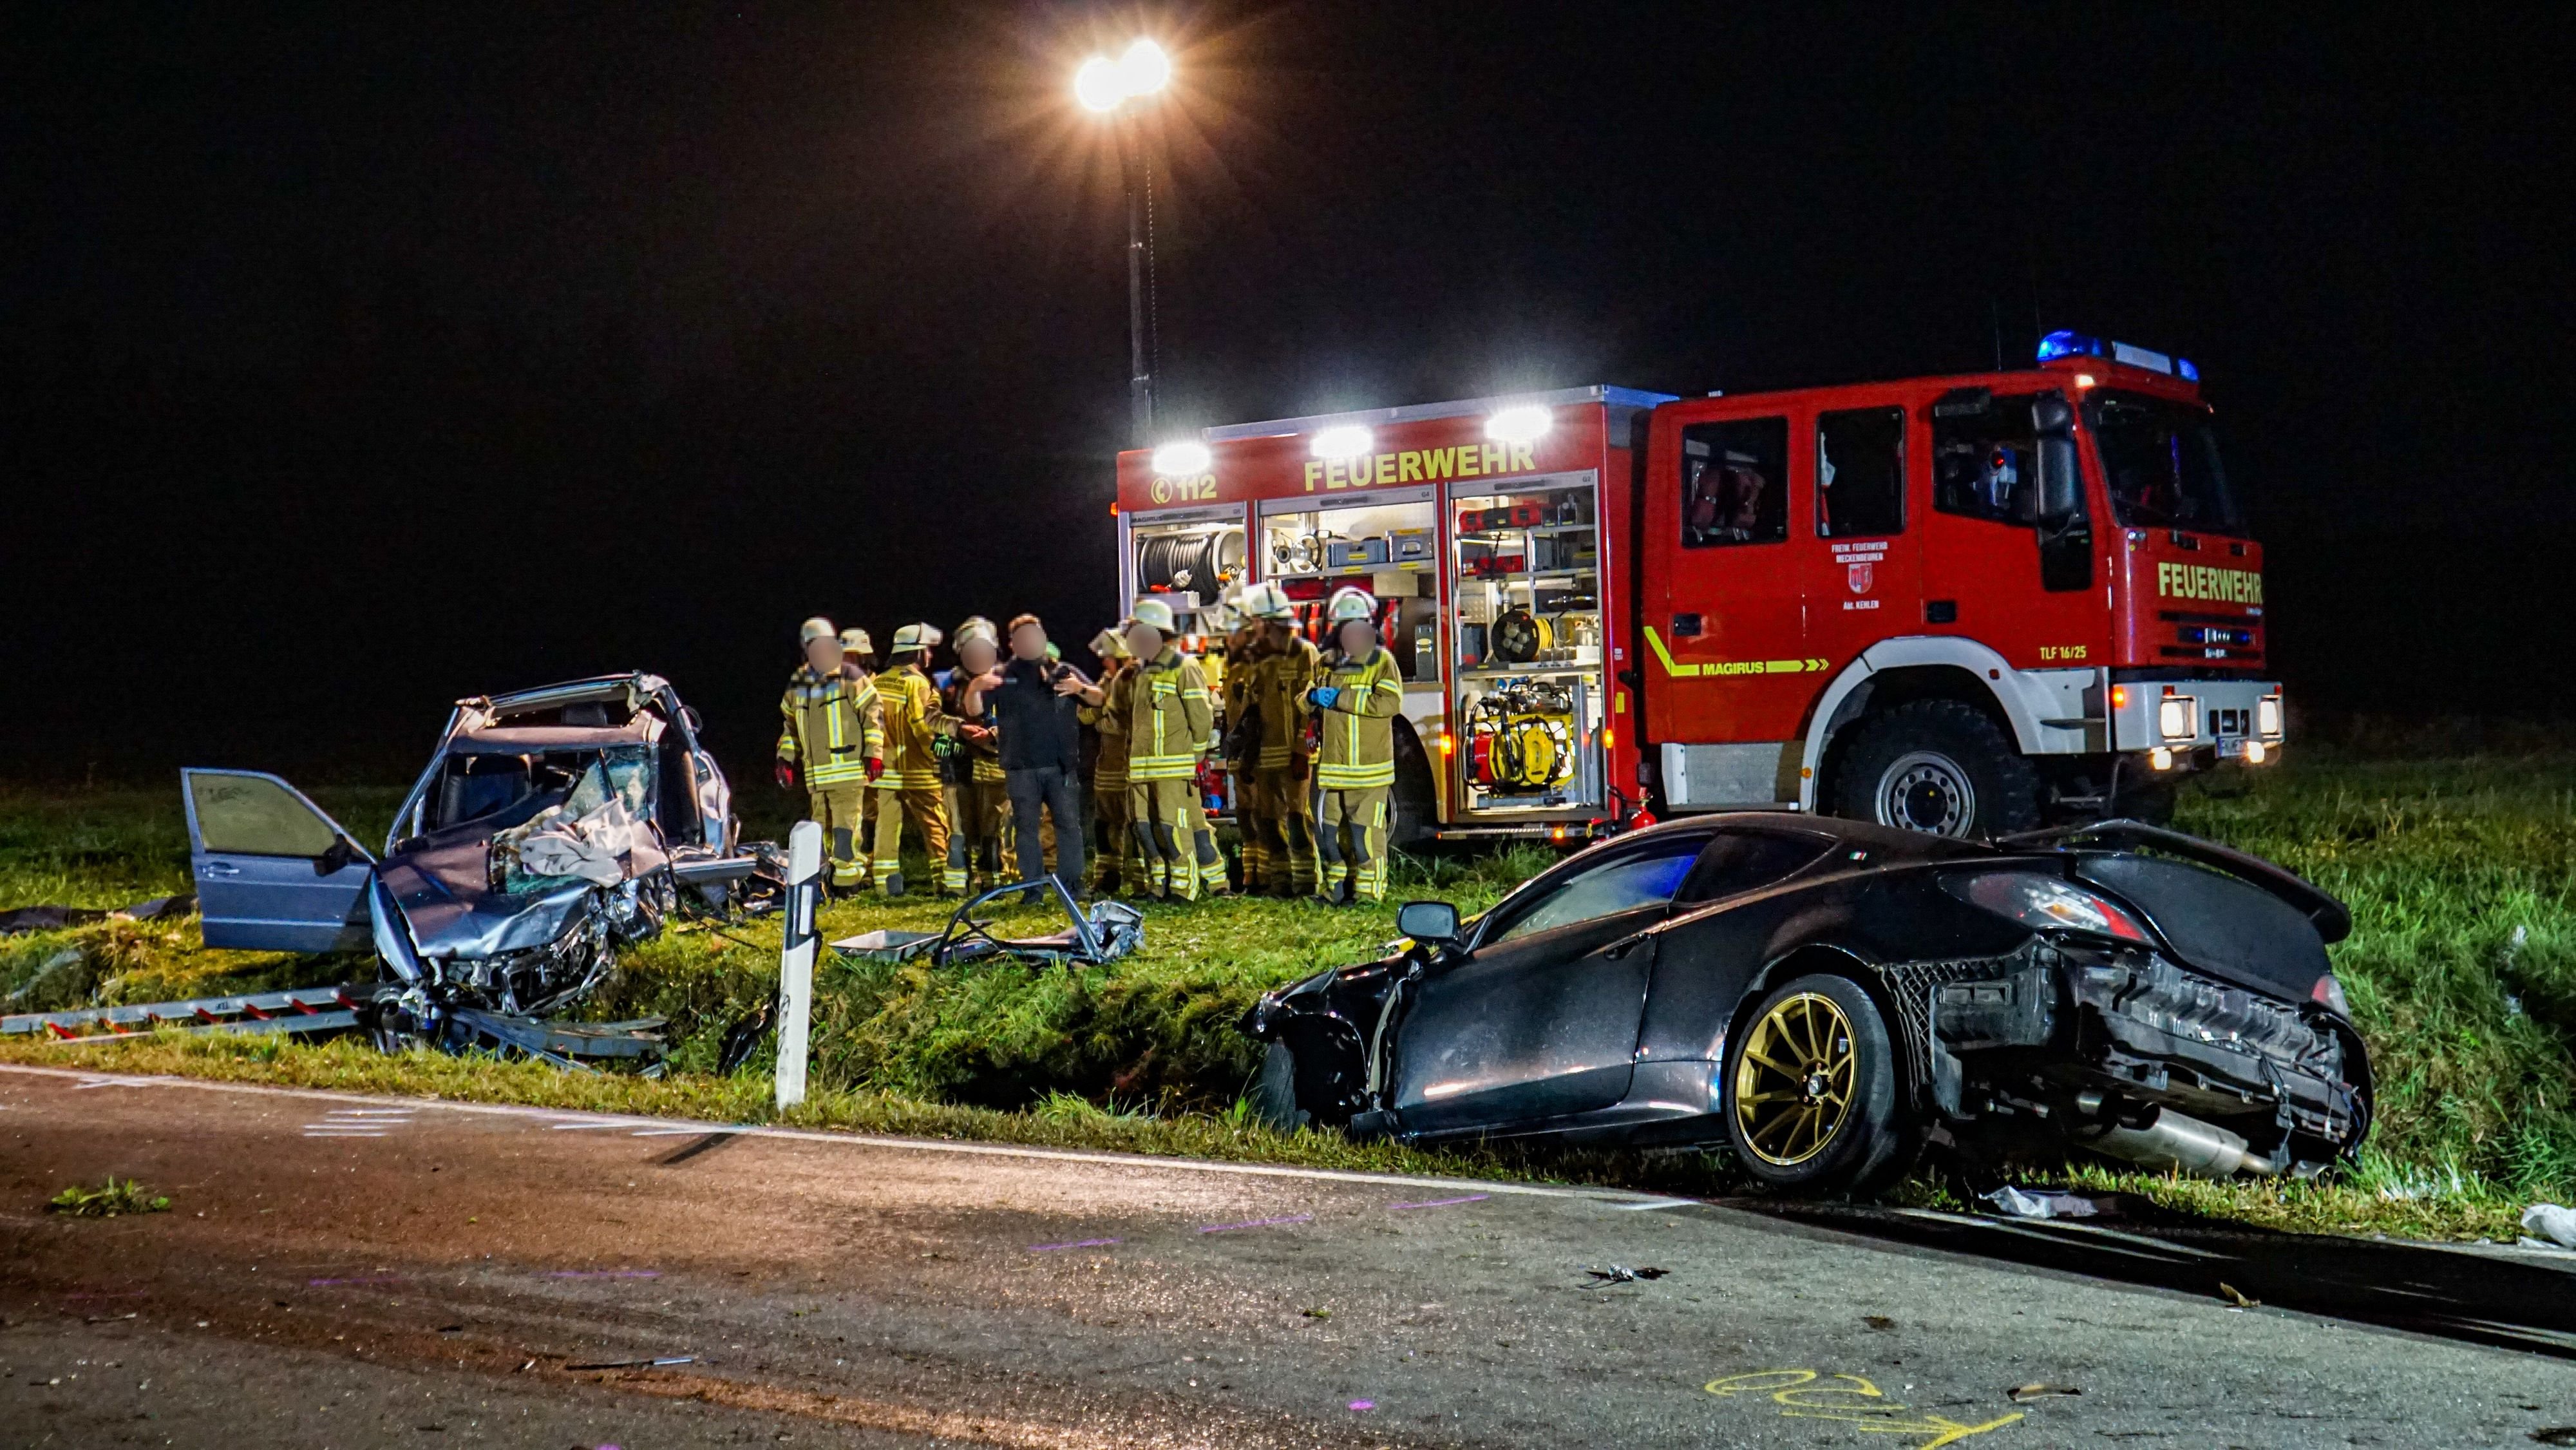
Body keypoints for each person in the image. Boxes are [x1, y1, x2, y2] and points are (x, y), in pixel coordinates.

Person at [964, 614, 1092, 902]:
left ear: (1044, 640)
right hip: (1021, 767)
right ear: (1013, 645)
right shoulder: (1002, 675)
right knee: (1026, 830)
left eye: (1036, 636)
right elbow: (974, 712)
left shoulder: (1063, 671)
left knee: (1069, 826)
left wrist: (1081, 689)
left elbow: (1099, 698)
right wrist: (974, 688)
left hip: (1061, 767)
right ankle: (1031, 889)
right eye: (1023, 639)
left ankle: (1073, 887)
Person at [1117, 598, 1224, 900]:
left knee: (1173, 827)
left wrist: (1197, 758)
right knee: (1146, 829)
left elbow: (1201, 717)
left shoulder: (1183, 666)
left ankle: (1183, 887)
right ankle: (1160, 884)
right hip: (1140, 770)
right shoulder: (1137, 674)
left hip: (1173, 768)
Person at [1305, 586, 1403, 904]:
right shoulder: (1325, 663)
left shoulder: (1382, 662)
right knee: (1328, 833)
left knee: (1365, 836)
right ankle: (1334, 890)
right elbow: (1304, 700)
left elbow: (1390, 703)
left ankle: (1368, 894)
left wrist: (1343, 699)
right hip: (1332, 768)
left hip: (1369, 768)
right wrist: (1309, 698)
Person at [776, 617, 884, 896]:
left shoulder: (851, 677)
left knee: (846, 831)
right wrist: (785, 758)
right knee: (820, 832)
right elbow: (790, 727)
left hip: (847, 772)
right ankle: (826, 880)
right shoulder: (798, 683)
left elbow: (873, 717)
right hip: (817, 778)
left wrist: (874, 754)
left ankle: (848, 884)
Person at [1241, 581, 1321, 897]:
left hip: (1292, 756)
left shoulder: (1304, 653)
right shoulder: (1256, 659)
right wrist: (1246, 755)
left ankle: (1306, 882)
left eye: (1258, 621)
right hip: (1264, 756)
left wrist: (1302, 749)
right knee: (1268, 820)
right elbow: (1250, 711)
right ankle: (1280, 882)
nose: (1254, 628)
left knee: (1298, 818)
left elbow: (1311, 708)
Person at [867, 622, 951, 897]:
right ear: (918, 652)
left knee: (886, 830)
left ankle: (885, 885)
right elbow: (922, 727)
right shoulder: (916, 683)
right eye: (928, 650)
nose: (931, 655)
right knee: (936, 825)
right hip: (918, 771)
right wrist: (939, 754)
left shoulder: (878, 680)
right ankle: (946, 883)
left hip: (886, 772)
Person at [938, 616, 1009, 895]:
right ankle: (958, 884)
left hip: (996, 769)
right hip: (957, 769)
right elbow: (934, 724)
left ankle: (993, 883)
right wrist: (953, 741)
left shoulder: (1007, 681)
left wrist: (993, 736)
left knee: (994, 831)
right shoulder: (947, 684)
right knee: (959, 829)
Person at [1074, 626, 1137, 895]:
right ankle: (1106, 878)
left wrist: (1103, 717)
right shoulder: (1105, 682)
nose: (1104, 662)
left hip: (1128, 765)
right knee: (1104, 825)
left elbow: (1124, 723)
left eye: (1108, 657)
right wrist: (1101, 714)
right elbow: (1084, 716)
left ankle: (1139, 880)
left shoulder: (1133, 680)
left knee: (1133, 826)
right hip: (1106, 768)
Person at [840, 626, 881, 879]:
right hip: (841, 764)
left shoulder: (876, 685)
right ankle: (845, 864)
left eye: (851, 656)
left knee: (872, 813)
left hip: (871, 761)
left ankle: (870, 862)